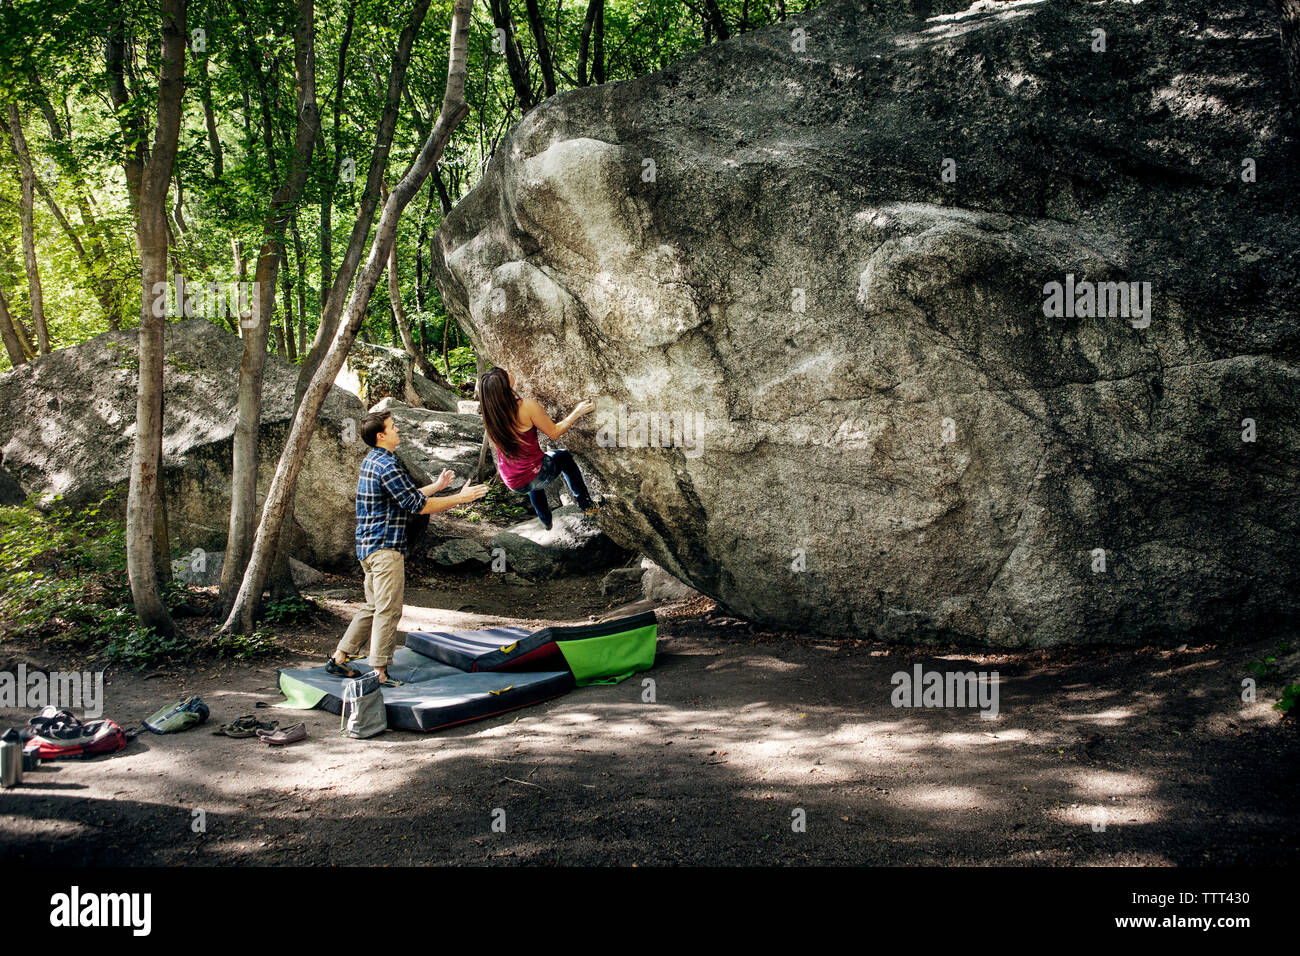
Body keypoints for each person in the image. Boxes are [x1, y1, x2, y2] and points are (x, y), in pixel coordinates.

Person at [328, 410, 489, 685]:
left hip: (368, 547)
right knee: (389, 610)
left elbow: (406, 497)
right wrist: (460, 498)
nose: (398, 430)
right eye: (393, 427)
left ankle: (340, 658)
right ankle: (378, 672)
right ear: (381, 436)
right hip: (384, 549)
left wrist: (437, 486)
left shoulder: (375, 461)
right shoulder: (387, 466)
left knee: (373, 607)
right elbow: (419, 507)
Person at [478, 367, 601, 530]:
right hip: (534, 473)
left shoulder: (491, 414)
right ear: (504, 386)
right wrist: (577, 412)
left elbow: (483, 389)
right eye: (505, 373)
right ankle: (586, 504)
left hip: (512, 479)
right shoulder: (526, 406)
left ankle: (545, 520)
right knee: (564, 457)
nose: (508, 370)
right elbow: (554, 433)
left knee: (532, 478)